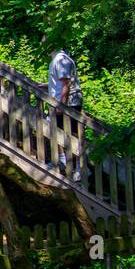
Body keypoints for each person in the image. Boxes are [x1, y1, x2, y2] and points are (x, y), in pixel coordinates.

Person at [47, 49, 83, 180]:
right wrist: (46, 86)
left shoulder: (61, 59)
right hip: (62, 102)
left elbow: (67, 83)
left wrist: (62, 104)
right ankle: (62, 161)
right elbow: (60, 82)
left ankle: (79, 168)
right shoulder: (59, 59)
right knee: (57, 131)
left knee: (72, 134)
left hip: (68, 103)